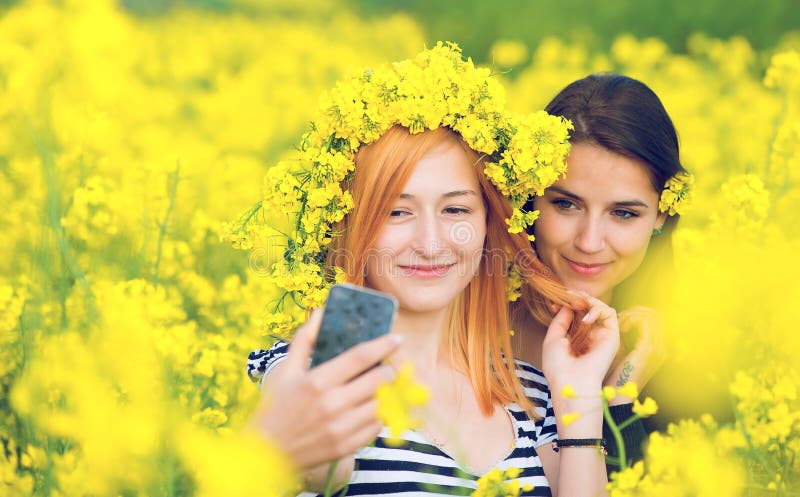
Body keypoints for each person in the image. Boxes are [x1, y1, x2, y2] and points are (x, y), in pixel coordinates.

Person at [241, 43, 620, 496]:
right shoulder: (318, 373)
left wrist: (579, 399)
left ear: (487, 225)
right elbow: (320, 463)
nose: (431, 243)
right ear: (353, 223)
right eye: (396, 213)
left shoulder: (533, 396)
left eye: (456, 210)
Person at [510, 73, 693, 467]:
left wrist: (620, 401)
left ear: (661, 214)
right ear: (531, 200)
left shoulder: (689, 367)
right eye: (566, 205)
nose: (590, 242)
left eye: (624, 213)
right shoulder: (469, 331)